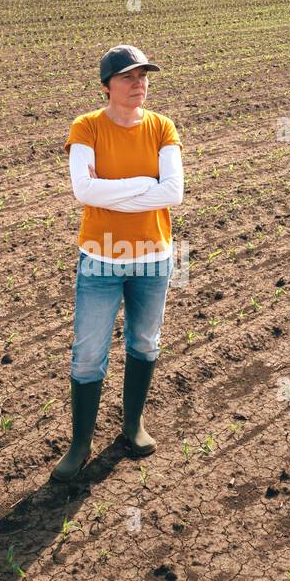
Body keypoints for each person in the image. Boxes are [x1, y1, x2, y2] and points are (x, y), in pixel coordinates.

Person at [51, 45, 185, 483]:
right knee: (89, 354)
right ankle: (80, 444)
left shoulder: (163, 127)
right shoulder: (86, 127)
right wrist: (145, 183)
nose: (138, 84)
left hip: (153, 258)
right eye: (128, 76)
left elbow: (173, 194)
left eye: (143, 75)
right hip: (101, 258)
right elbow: (83, 191)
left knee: (145, 342)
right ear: (107, 85)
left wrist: (117, 189)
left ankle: (132, 426)